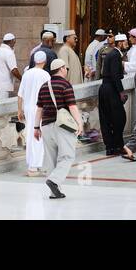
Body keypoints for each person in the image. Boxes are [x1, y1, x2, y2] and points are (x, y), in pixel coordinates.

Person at [37, 58, 84, 199]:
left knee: (51, 159)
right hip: (62, 126)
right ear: (62, 68)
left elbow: (39, 109)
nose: (66, 71)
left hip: (45, 126)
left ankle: (54, 192)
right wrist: (79, 123)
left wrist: (35, 127)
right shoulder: (65, 85)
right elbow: (72, 106)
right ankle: (54, 180)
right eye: (66, 68)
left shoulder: (44, 86)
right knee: (67, 156)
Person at [18, 50, 51, 175]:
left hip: (28, 108)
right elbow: (49, 93)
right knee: (39, 135)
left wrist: (19, 110)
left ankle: (32, 164)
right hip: (40, 108)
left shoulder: (27, 74)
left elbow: (20, 94)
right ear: (44, 61)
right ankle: (35, 165)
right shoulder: (45, 75)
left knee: (30, 134)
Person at [98, 33, 129, 157]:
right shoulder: (115, 55)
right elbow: (115, 75)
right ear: (120, 43)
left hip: (105, 88)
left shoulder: (112, 54)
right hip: (111, 89)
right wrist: (121, 92)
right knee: (119, 118)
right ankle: (116, 146)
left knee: (106, 119)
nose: (127, 44)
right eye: (125, 42)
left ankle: (110, 147)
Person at [0, 32, 21, 102]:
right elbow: (14, 70)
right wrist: (22, 79)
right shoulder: (9, 52)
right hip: (4, 86)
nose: (14, 44)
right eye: (14, 42)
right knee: (1, 108)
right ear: (11, 41)